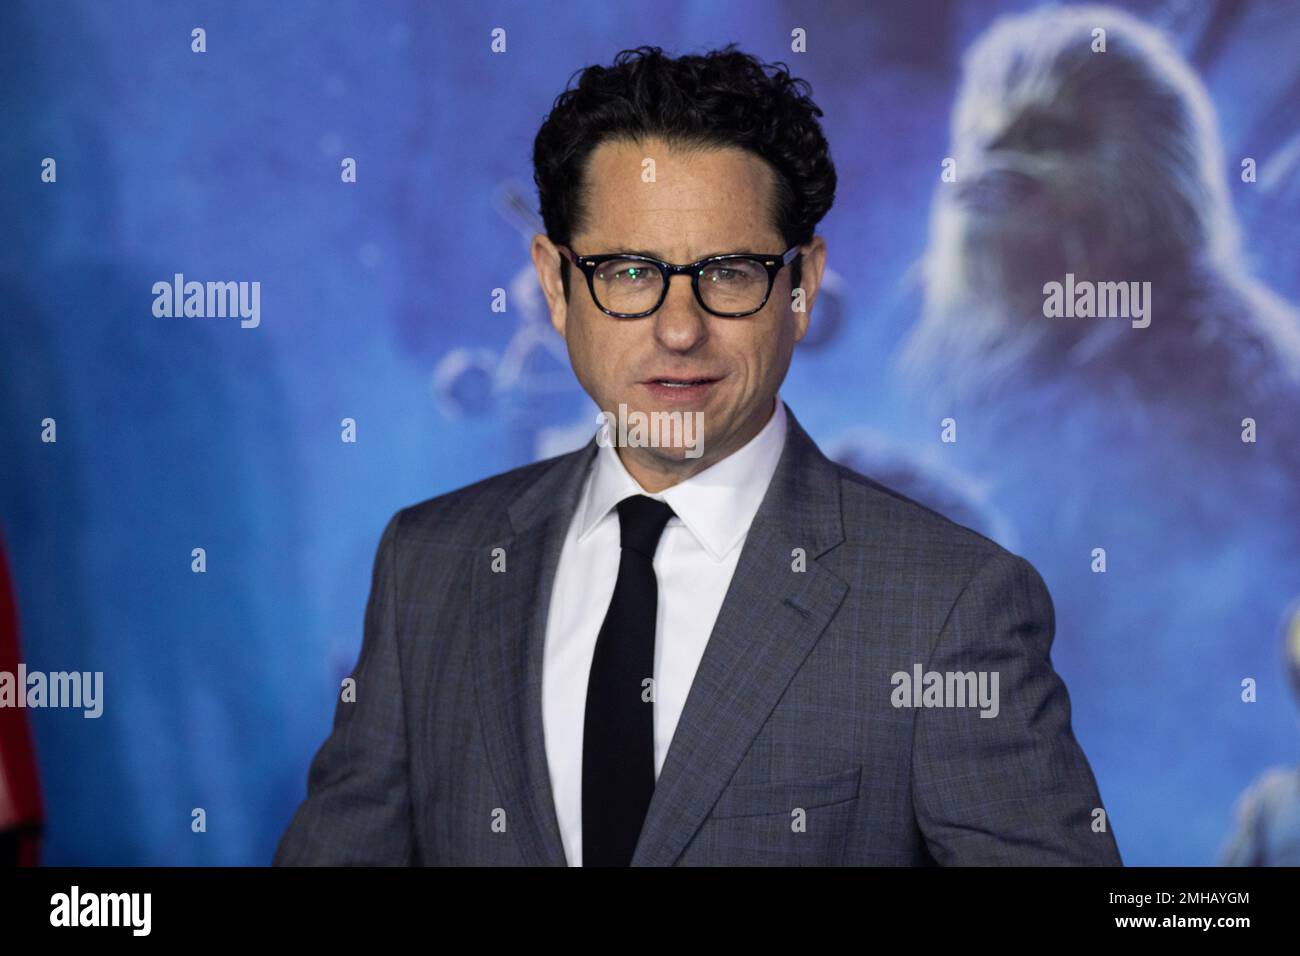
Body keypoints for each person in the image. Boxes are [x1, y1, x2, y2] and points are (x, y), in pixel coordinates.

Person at [274, 45, 1120, 866]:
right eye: (631, 273)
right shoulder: (429, 567)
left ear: (802, 288)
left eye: (729, 272)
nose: (679, 330)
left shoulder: (949, 602)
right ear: (553, 285)